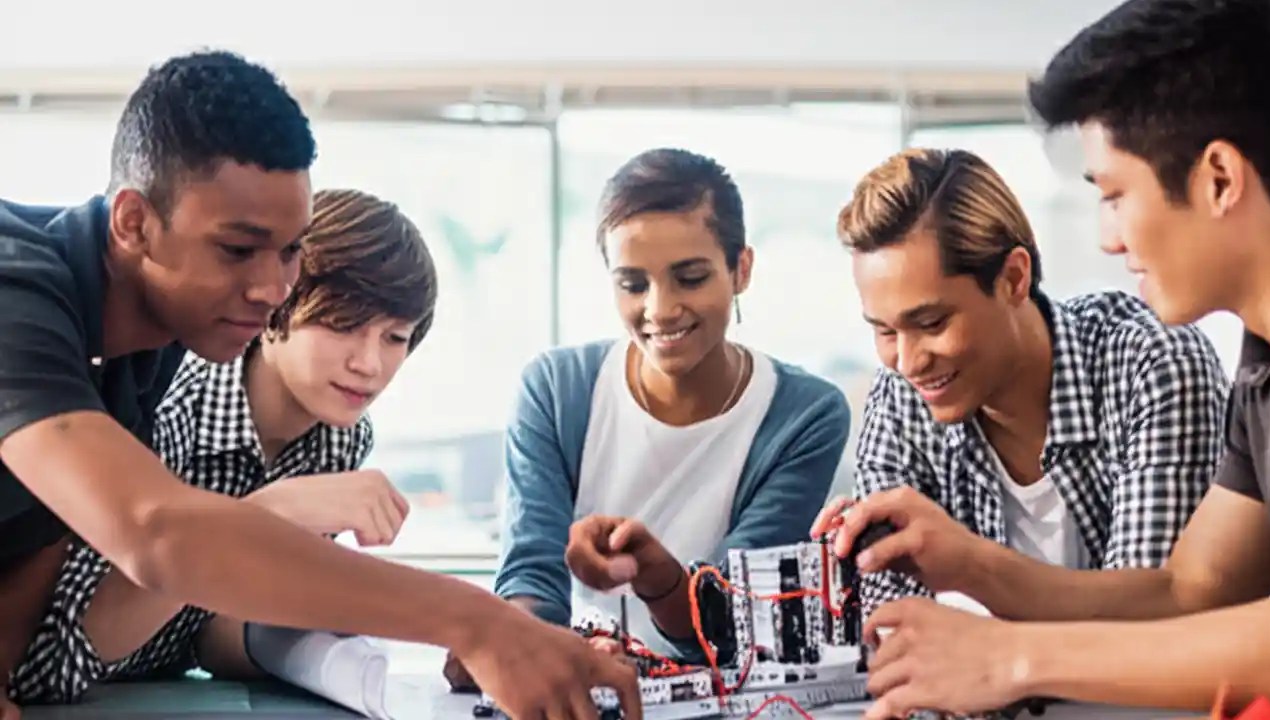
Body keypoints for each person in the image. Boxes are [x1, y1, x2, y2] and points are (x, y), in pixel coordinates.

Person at [0, 50, 638, 720]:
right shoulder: (19, 292)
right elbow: (154, 530)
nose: (274, 290)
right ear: (134, 223)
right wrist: (477, 621)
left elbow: (33, 574)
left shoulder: (138, 352)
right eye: (236, 249)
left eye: (290, 251)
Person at [812, 0, 1270, 717]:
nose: (1108, 240)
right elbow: (1193, 592)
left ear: (1218, 178)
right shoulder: (1263, 367)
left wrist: (1010, 657)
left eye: (1116, 196)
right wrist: (970, 565)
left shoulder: (1153, 355)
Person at [445, 148, 851, 688]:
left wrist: (654, 576)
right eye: (633, 284)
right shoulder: (555, 389)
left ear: (741, 269)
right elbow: (530, 576)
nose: (659, 309)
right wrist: (509, 642)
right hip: (581, 685)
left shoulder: (805, 416)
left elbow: (730, 616)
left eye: (690, 278)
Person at [7, 188, 433, 702]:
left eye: (395, 338)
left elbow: (208, 633)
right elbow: (47, 663)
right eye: (342, 325)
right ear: (276, 309)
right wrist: (266, 515)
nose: (369, 364)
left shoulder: (339, 438)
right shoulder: (169, 405)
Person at [812, 147, 1227, 625]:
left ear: (1013, 278)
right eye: (884, 331)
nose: (907, 361)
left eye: (931, 322)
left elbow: (1150, 621)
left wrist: (971, 570)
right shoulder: (902, 397)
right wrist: (852, 566)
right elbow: (896, 625)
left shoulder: (1152, 364)